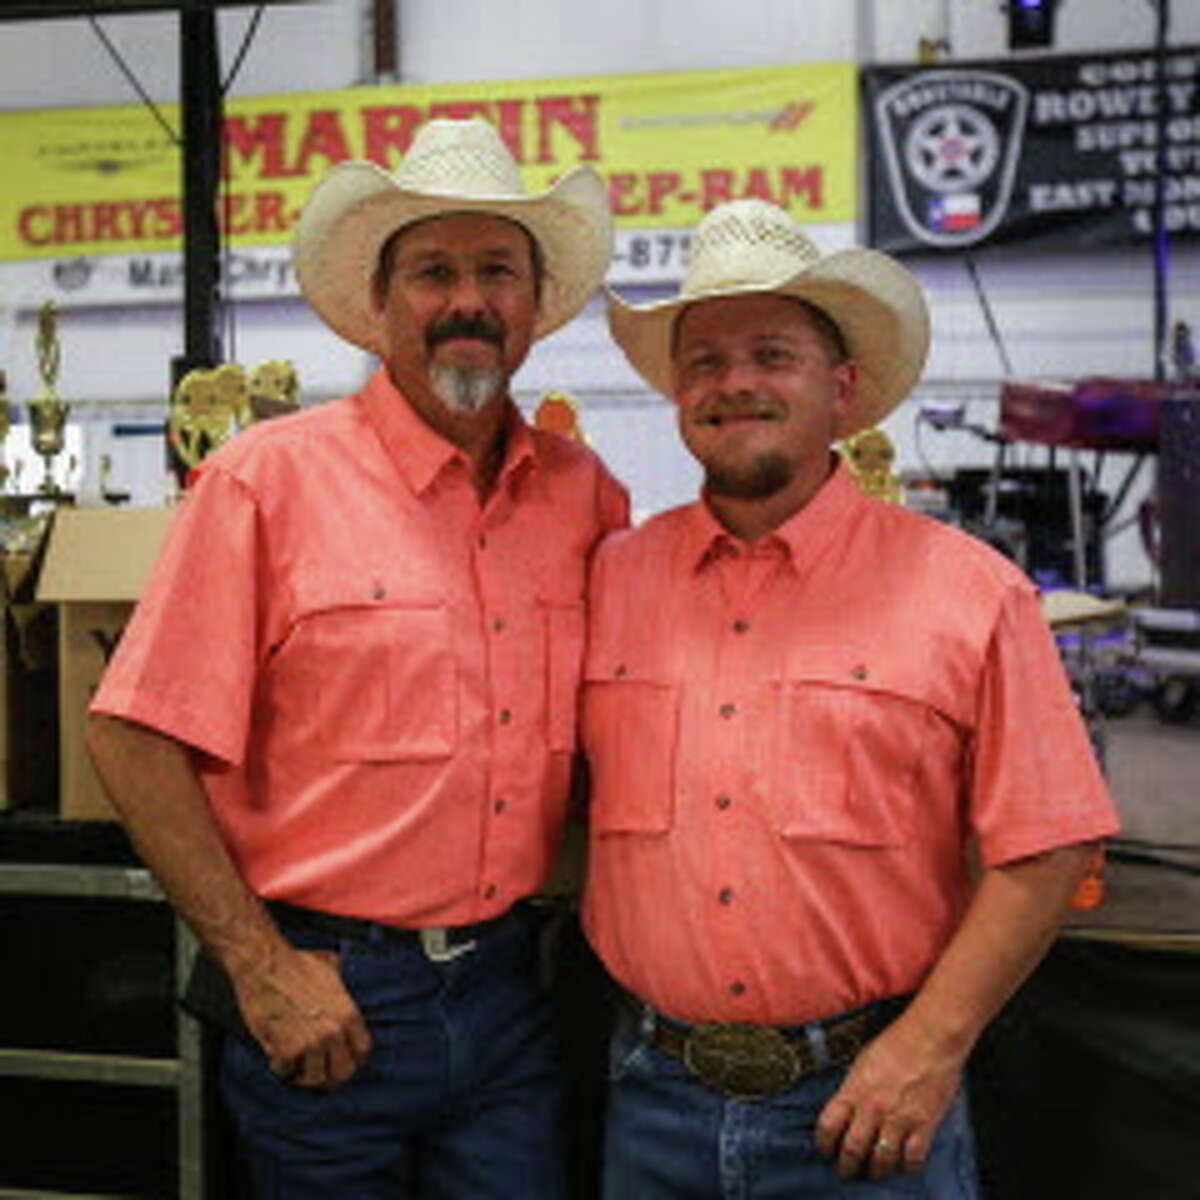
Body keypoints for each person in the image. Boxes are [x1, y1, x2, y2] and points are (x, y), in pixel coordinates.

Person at [86, 117, 628, 1199]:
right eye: (432, 271)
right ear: (381, 305)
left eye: (496, 271)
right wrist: (258, 965)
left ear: (532, 304)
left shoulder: (584, 495)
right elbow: (132, 734)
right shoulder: (263, 484)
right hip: (328, 992)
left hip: (514, 990)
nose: (467, 299)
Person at [579, 198, 1119, 1199]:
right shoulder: (609, 580)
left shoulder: (969, 591)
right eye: (705, 361)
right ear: (676, 394)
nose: (736, 383)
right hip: (653, 1100)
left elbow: (1046, 846)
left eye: (772, 354)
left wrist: (928, 1048)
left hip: (870, 1109)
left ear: (844, 388)